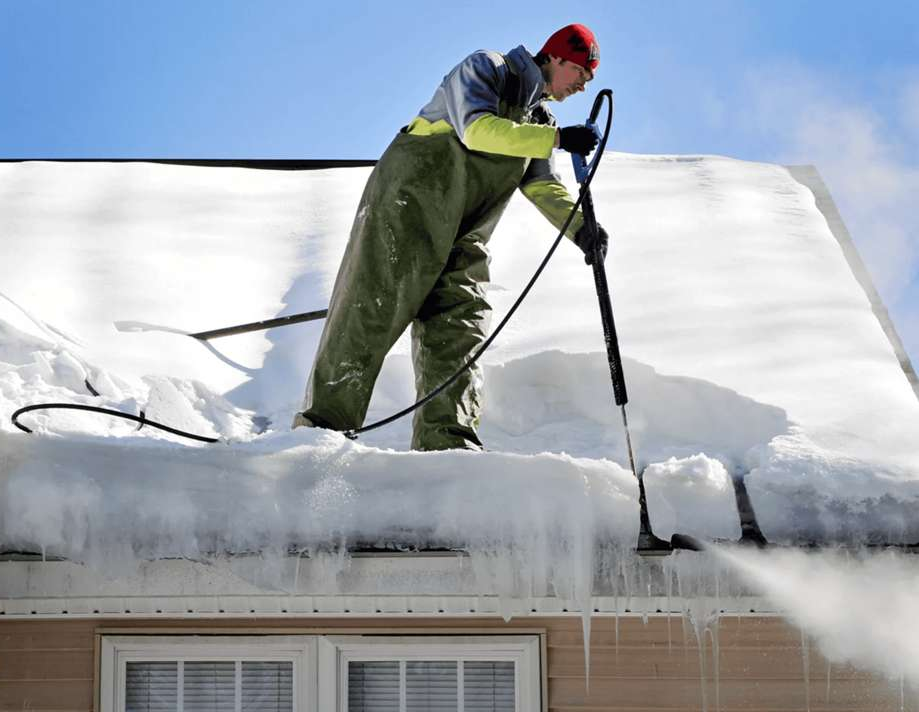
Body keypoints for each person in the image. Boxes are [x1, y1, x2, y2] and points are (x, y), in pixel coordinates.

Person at [293, 23, 610, 451]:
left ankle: (447, 449)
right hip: (410, 203)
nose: (582, 87)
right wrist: (556, 139)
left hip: (463, 231)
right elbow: (475, 128)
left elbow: (541, 186)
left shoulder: (538, 119)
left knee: (461, 326)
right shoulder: (489, 69)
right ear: (555, 56)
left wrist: (580, 231)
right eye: (581, 74)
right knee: (373, 308)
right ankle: (321, 434)